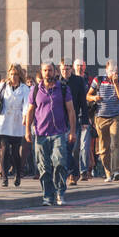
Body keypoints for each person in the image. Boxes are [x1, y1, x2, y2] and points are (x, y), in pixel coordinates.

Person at [24, 62, 76, 206]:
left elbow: (71, 111)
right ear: (42, 72)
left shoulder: (63, 88)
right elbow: (30, 111)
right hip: (41, 134)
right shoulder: (35, 90)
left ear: (55, 71)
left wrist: (72, 131)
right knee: (43, 168)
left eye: (50, 70)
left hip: (59, 133)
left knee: (60, 163)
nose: (48, 73)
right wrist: (27, 130)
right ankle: (48, 196)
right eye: (45, 70)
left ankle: (60, 193)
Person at [86, 59, 119, 181]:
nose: (113, 73)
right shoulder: (98, 80)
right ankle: (108, 172)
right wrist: (94, 97)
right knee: (103, 147)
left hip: (116, 116)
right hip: (101, 117)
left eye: (115, 70)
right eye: (111, 71)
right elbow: (87, 96)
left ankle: (116, 172)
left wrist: (116, 84)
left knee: (115, 144)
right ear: (106, 70)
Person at [0, 64, 29, 187]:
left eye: (16, 74)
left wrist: (25, 116)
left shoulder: (24, 88)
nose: (13, 77)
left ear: (20, 75)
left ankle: (18, 174)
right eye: (11, 74)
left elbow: (26, 104)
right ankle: (4, 177)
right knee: (4, 149)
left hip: (17, 122)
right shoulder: (3, 85)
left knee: (15, 152)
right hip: (4, 120)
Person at [59, 60, 86, 185]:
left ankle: (73, 172)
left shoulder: (78, 81)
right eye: (63, 69)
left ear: (71, 69)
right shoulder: (57, 81)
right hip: (60, 119)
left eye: (68, 69)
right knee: (62, 148)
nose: (65, 71)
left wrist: (85, 119)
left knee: (71, 148)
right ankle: (72, 172)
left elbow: (83, 102)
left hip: (74, 118)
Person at [71, 59, 95, 179]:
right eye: (78, 65)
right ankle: (73, 171)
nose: (80, 67)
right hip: (73, 117)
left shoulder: (89, 81)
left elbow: (90, 99)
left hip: (86, 117)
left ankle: (84, 171)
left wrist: (89, 116)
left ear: (85, 67)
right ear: (74, 67)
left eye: (82, 65)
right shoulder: (71, 80)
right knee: (74, 147)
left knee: (84, 146)